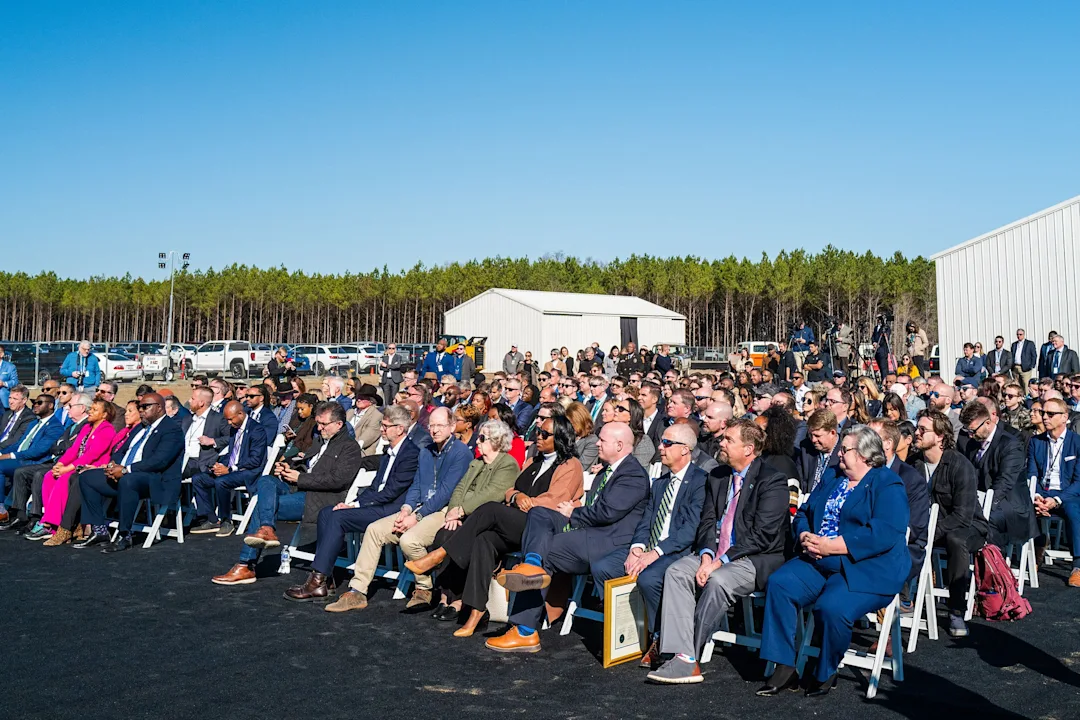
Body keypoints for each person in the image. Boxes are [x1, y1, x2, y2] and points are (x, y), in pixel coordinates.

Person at [758, 425, 909, 697]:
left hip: (865, 567)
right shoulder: (833, 476)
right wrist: (804, 535)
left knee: (831, 607)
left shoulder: (887, 483)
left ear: (864, 455)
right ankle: (784, 666)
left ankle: (826, 670)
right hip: (819, 558)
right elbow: (804, 512)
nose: (839, 453)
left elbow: (884, 533)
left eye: (845, 449)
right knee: (780, 584)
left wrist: (832, 546)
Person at [406, 415, 585, 637]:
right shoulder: (533, 461)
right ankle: (477, 610)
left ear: (559, 438)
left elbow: (556, 499)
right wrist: (517, 496)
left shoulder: (570, 465)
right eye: (538, 432)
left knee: (490, 508)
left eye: (545, 434)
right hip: (520, 520)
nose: (538, 436)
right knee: (484, 540)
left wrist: (527, 501)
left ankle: (440, 554)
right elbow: (511, 489)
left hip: (542, 527)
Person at [487, 422, 650, 653]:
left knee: (546, 549)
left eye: (602, 440)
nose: (597, 443)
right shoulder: (607, 470)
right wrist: (575, 512)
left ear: (619, 445)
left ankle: (524, 631)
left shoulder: (632, 474)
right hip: (589, 530)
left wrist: (574, 512)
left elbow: (607, 513)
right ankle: (531, 564)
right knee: (539, 513)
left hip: (608, 541)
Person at [646, 419, 786, 684]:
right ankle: (681, 654)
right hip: (716, 553)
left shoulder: (772, 480)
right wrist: (707, 555)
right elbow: (708, 521)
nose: (721, 443)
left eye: (729, 440)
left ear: (748, 449)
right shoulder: (719, 476)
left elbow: (762, 535)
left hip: (753, 558)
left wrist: (720, 561)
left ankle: (687, 656)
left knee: (718, 581)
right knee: (676, 572)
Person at [324, 411, 503, 612]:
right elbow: (416, 485)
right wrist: (406, 509)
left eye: (440, 426)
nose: (435, 430)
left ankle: (424, 588)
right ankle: (357, 591)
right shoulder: (426, 451)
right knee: (374, 530)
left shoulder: (461, 453)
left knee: (409, 540)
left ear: (452, 427)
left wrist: (416, 517)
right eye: (432, 425)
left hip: (444, 510)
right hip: (419, 507)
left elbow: (446, 493)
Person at [213, 401, 363, 585]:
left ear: (339, 424)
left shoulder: (349, 447)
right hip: (300, 488)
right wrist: (288, 468)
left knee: (262, 506)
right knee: (266, 480)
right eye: (318, 423)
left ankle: (246, 563)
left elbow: (338, 480)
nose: (319, 428)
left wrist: (300, 478)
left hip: (319, 498)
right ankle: (266, 530)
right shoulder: (320, 441)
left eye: (324, 424)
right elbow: (308, 464)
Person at [283, 405, 421, 601]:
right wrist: (354, 503)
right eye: (381, 424)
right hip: (378, 504)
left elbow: (391, 492)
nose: (381, 429)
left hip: (392, 510)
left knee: (337, 517)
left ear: (399, 429)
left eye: (385, 426)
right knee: (326, 512)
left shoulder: (410, 453)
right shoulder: (389, 451)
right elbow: (375, 487)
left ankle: (317, 581)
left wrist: (356, 506)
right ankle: (327, 578)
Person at [74, 392, 184, 553]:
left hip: (156, 479)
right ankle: (99, 531)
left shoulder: (171, 429)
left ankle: (124, 535)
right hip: (127, 474)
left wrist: (125, 470)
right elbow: (121, 450)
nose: (141, 410)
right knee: (87, 477)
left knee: (128, 480)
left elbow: (160, 461)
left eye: (145, 407)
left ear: (159, 408)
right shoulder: (140, 427)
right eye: (140, 407)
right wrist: (113, 465)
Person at [911, 410, 983, 636]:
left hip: (968, 526)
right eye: (917, 428)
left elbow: (963, 515)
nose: (916, 433)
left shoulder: (959, 465)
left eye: (923, 429)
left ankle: (956, 610)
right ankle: (902, 601)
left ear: (940, 436)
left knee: (956, 540)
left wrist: (930, 532)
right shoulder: (914, 464)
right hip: (928, 527)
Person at [33, 398, 118, 545]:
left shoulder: (107, 430)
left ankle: (59, 525)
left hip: (92, 466)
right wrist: (60, 464)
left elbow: (92, 455)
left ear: (104, 415)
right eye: (91, 409)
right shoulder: (87, 428)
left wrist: (67, 468)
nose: (90, 412)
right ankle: (50, 520)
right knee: (49, 476)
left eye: (94, 410)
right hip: (77, 464)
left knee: (64, 478)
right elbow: (74, 450)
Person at [960, 398, 1036, 553]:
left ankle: (992, 562)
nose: (970, 435)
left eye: (973, 431)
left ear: (988, 423)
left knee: (984, 521)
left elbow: (1005, 482)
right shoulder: (972, 443)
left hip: (1010, 506)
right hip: (980, 500)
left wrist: (984, 506)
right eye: (968, 431)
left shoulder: (1011, 444)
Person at [1029, 397, 1080, 587]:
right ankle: (1034, 552)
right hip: (1042, 492)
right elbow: (1032, 474)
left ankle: (1078, 565)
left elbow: (1079, 482)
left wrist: (1057, 499)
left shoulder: (1077, 443)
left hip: (1067, 494)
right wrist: (1037, 496)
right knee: (1022, 507)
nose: (1045, 417)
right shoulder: (1036, 442)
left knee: (1074, 512)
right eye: (1043, 413)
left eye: (1050, 414)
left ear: (1064, 417)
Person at [0, 391, 65, 523]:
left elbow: (38, 451)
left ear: (50, 406)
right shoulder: (34, 423)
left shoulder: (55, 427)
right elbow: (19, 444)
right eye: (34, 402)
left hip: (33, 462)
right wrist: (2, 454)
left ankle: (2, 509)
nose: (35, 405)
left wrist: (10, 455)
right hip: (21, 458)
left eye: (39, 403)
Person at [796, 410, 841, 493]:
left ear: (832, 433)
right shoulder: (806, 447)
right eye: (811, 435)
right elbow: (800, 479)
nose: (813, 440)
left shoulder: (844, 454)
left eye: (817, 436)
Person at [565, 401, 598, 469]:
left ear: (581, 421)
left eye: (572, 423)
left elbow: (581, 466)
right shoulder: (568, 436)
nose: (569, 427)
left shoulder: (592, 441)